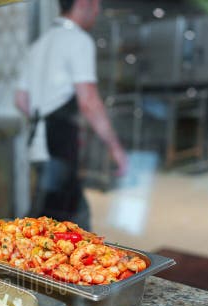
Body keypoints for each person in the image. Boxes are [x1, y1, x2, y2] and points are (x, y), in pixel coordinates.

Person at [15, 0, 127, 227]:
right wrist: (115, 148)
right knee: (52, 220)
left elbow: (21, 100)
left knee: (65, 213)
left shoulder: (39, 44)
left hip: (38, 145)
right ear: (84, 3)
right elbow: (89, 101)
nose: (98, 11)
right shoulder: (78, 41)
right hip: (58, 146)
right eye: (96, 4)